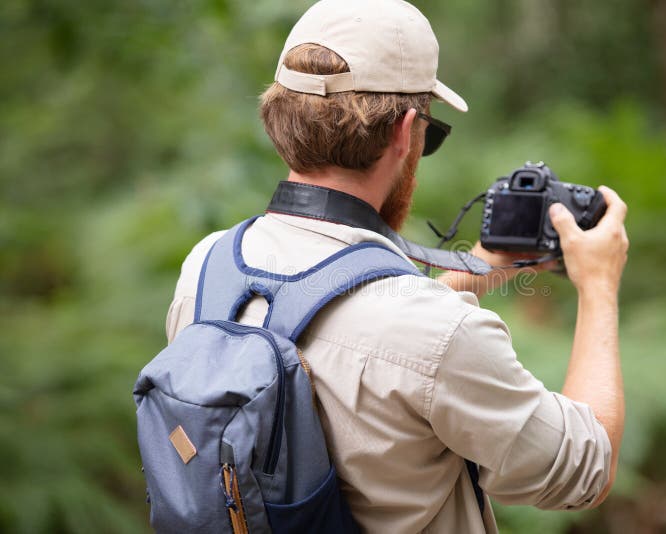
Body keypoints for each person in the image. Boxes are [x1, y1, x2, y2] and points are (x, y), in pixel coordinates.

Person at [166, 0, 629, 532]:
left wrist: (482, 265)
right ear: (405, 131)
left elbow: (347, 330)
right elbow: (588, 468)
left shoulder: (206, 268)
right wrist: (598, 286)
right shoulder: (437, 333)